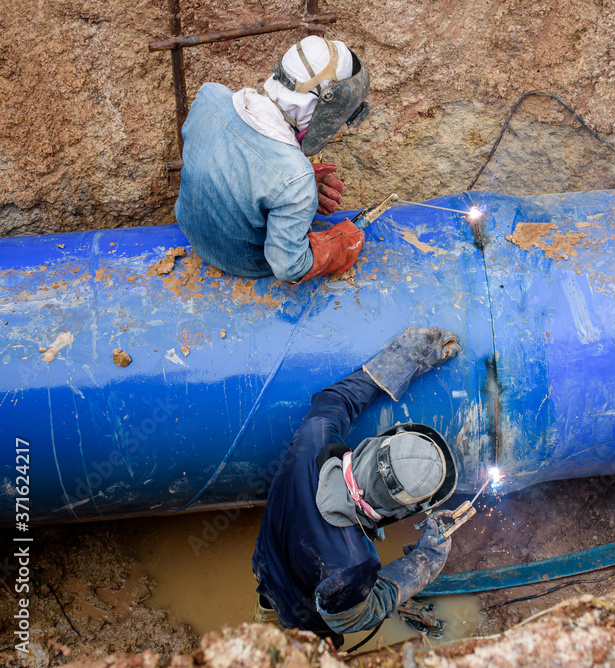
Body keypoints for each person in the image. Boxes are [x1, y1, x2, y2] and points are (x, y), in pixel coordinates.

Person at [251, 327, 462, 647]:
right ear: (399, 509)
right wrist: (423, 563)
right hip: (305, 618)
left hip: (267, 571)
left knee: (266, 626)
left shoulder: (313, 441)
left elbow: (336, 398)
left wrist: (404, 357)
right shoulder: (355, 563)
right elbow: (357, 616)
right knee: (310, 646)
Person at [174, 35, 372, 284]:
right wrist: (338, 245)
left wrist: (289, 193)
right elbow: (289, 267)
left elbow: (231, 165)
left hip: (190, 232)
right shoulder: (294, 178)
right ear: (325, 105)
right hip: (247, 263)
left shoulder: (208, 97)